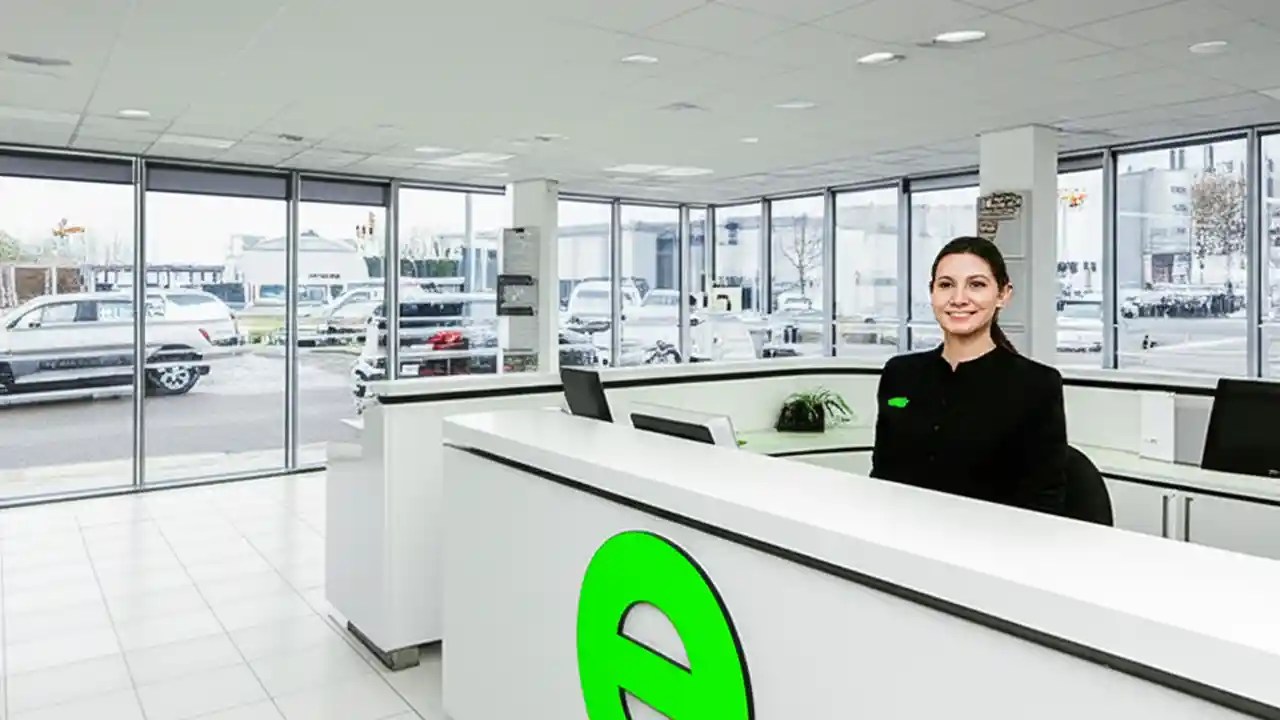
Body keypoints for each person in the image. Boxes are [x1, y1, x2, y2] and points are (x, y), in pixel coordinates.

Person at [870, 236, 1068, 516]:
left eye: (976, 285)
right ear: (932, 292)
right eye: (946, 285)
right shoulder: (900, 374)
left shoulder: (1036, 384)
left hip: (992, 538)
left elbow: (1043, 502)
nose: (959, 299)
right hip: (902, 531)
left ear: (1003, 294)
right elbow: (883, 477)